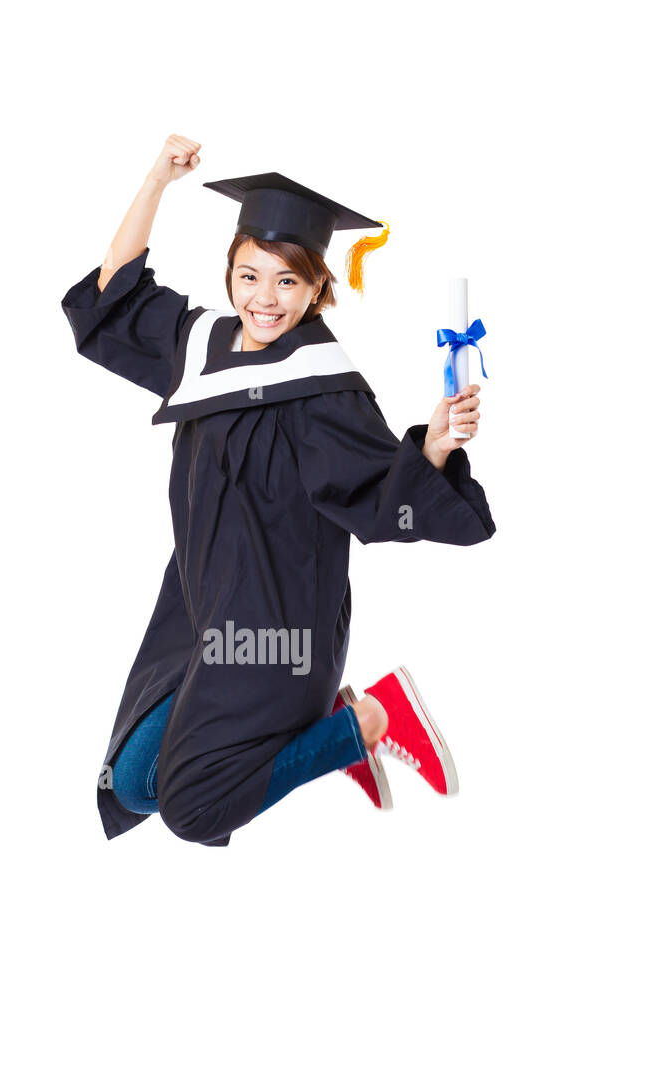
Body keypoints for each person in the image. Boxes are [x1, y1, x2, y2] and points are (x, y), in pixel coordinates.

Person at [60, 134, 495, 849]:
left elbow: (384, 494)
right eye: (249, 276)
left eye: (287, 282)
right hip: (197, 613)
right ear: (229, 274)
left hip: (273, 634)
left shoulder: (324, 388)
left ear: (318, 287)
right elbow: (116, 296)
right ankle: (339, 726)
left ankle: (366, 721)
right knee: (134, 785)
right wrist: (154, 183)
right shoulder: (203, 345)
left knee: (191, 810)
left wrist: (435, 444)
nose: (264, 299)